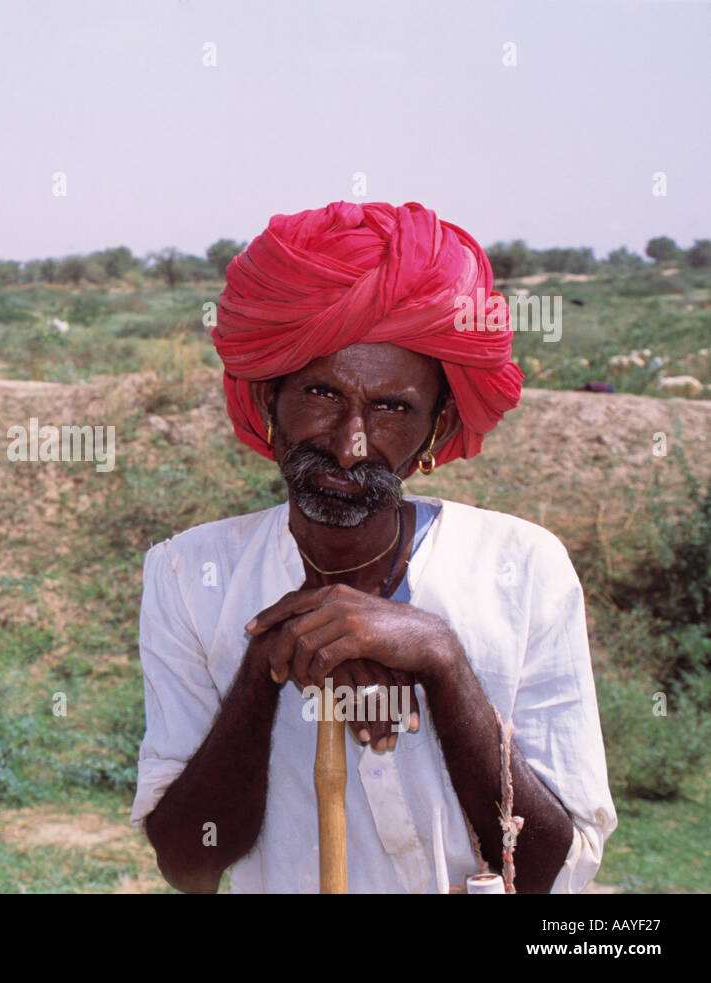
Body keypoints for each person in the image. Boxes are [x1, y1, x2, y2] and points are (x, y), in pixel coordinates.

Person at [133, 201, 616, 895]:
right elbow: (188, 861)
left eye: (391, 408)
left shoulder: (523, 568)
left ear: (436, 426)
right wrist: (269, 661)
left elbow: (545, 867)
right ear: (269, 401)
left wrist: (444, 663)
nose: (348, 441)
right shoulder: (187, 573)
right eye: (322, 393)